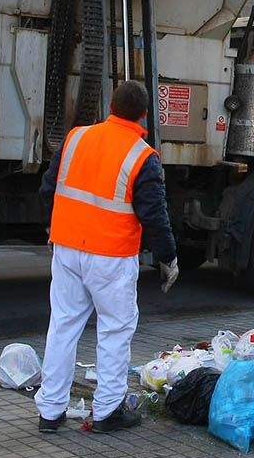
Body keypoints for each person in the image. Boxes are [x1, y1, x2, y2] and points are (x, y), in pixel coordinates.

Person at [34, 80, 179, 434]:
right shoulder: (142, 155)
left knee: (63, 326)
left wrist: (57, 230)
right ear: (144, 114)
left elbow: (47, 189)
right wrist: (168, 258)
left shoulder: (76, 138)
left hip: (67, 248)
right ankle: (108, 411)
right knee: (114, 330)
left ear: (110, 106)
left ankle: (50, 411)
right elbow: (154, 216)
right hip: (111, 257)